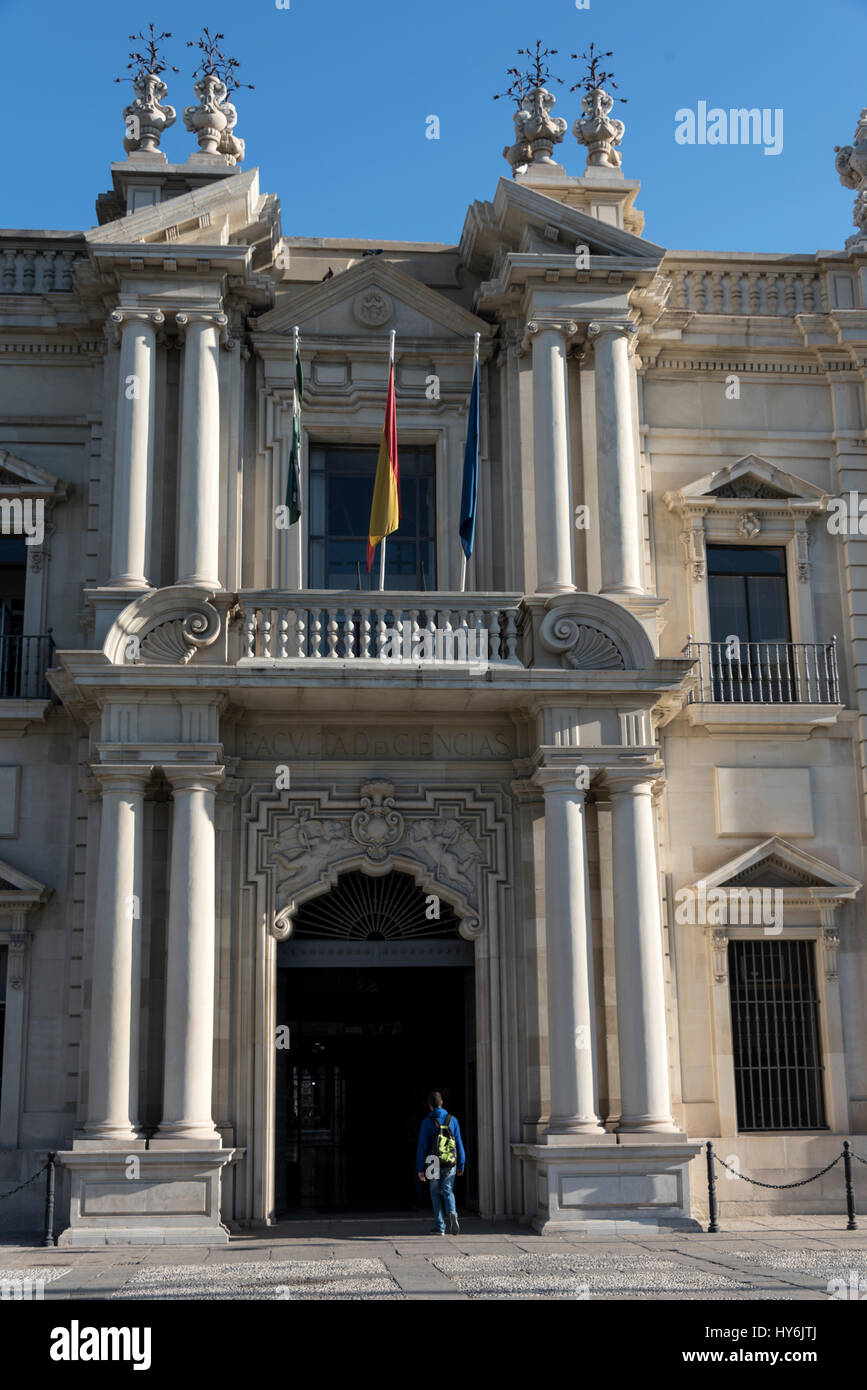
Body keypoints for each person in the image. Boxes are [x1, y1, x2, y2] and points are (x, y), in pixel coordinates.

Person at [416, 1091, 466, 1235]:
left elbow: (422, 1145)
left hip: (433, 1161)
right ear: (442, 1102)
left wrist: (420, 1168)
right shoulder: (453, 1120)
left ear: (430, 1105)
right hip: (450, 1161)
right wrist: (461, 1163)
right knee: (448, 1190)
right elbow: (458, 1143)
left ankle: (440, 1226)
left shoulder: (427, 1121)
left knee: (434, 1192)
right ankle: (452, 1212)